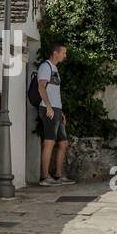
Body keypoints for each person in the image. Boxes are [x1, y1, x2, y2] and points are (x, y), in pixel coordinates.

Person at [37, 43, 73, 186]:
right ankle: (45, 177)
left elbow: (53, 92)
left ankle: (58, 175)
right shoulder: (45, 67)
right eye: (63, 52)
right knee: (49, 141)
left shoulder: (55, 68)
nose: (65, 55)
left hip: (56, 109)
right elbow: (41, 88)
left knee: (63, 143)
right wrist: (49, 107)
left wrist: (60, 111)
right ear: (55, 53)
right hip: (48, 109)